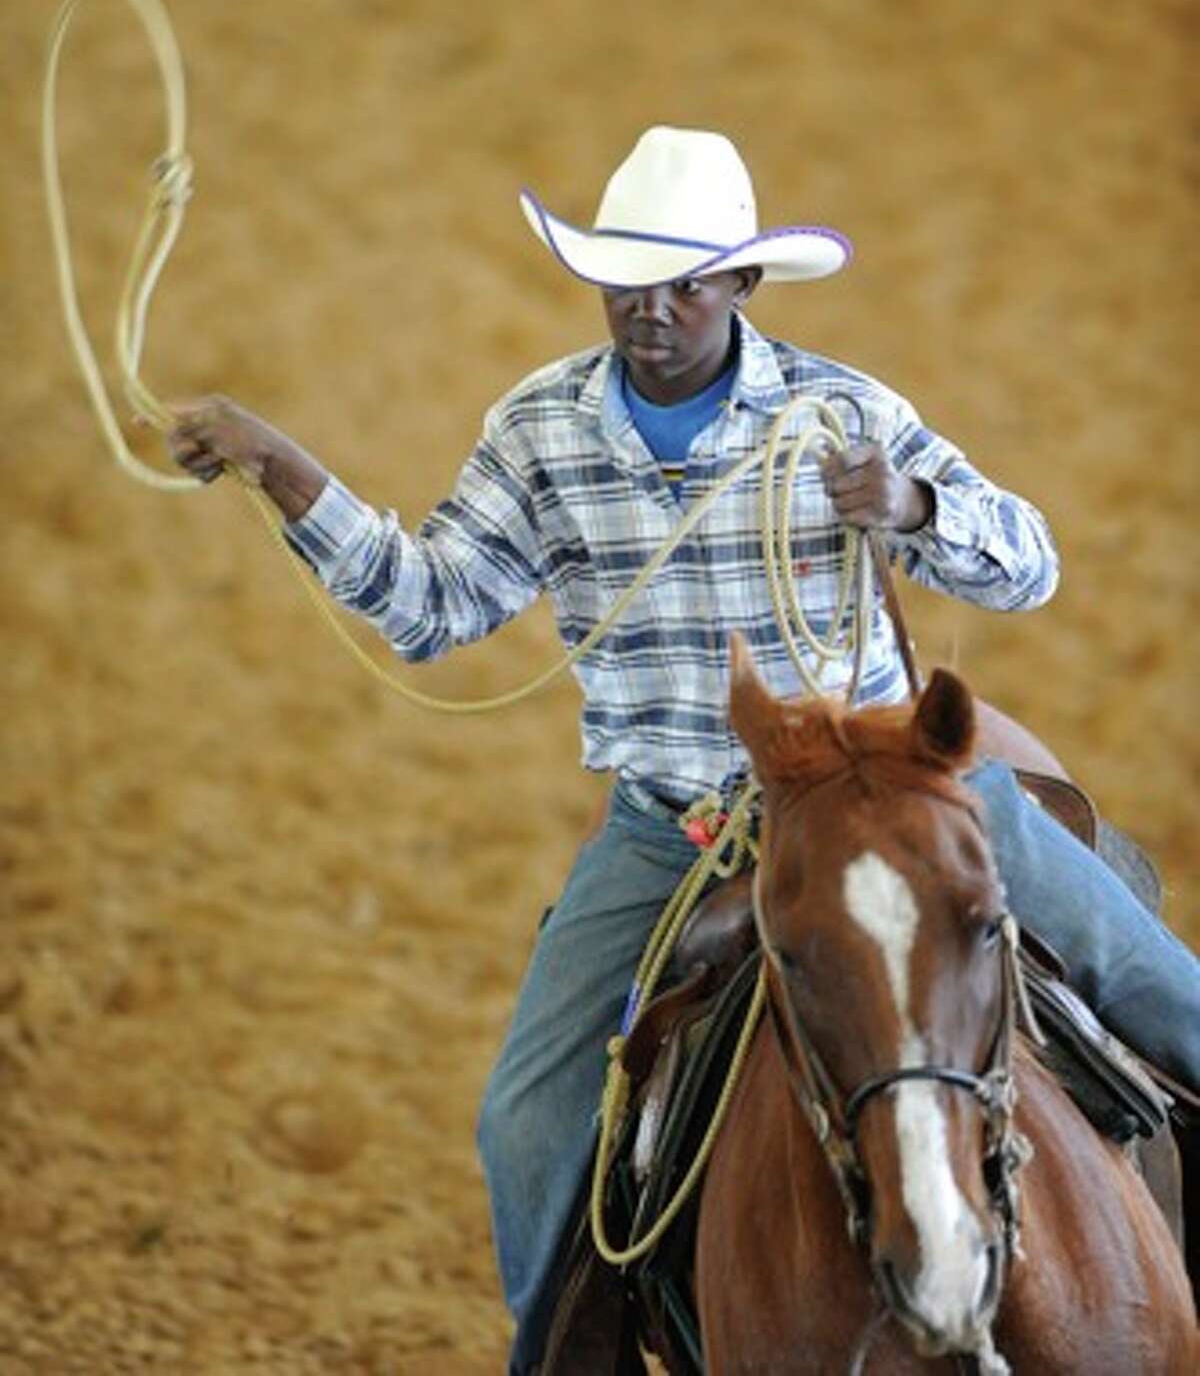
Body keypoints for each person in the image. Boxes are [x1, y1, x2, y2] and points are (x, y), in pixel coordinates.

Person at [168, 125, 1200, 1374]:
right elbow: (434, 603)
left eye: (686, 284)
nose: (651, 312)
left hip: (892, 797)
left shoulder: (838, 413)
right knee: (529, 1118)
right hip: (678, 827)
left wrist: (914, 505)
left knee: (1165, 994)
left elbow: (1029, 564)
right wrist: (284, 472)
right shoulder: (541, 429)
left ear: (742, 287)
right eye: (627, 281)